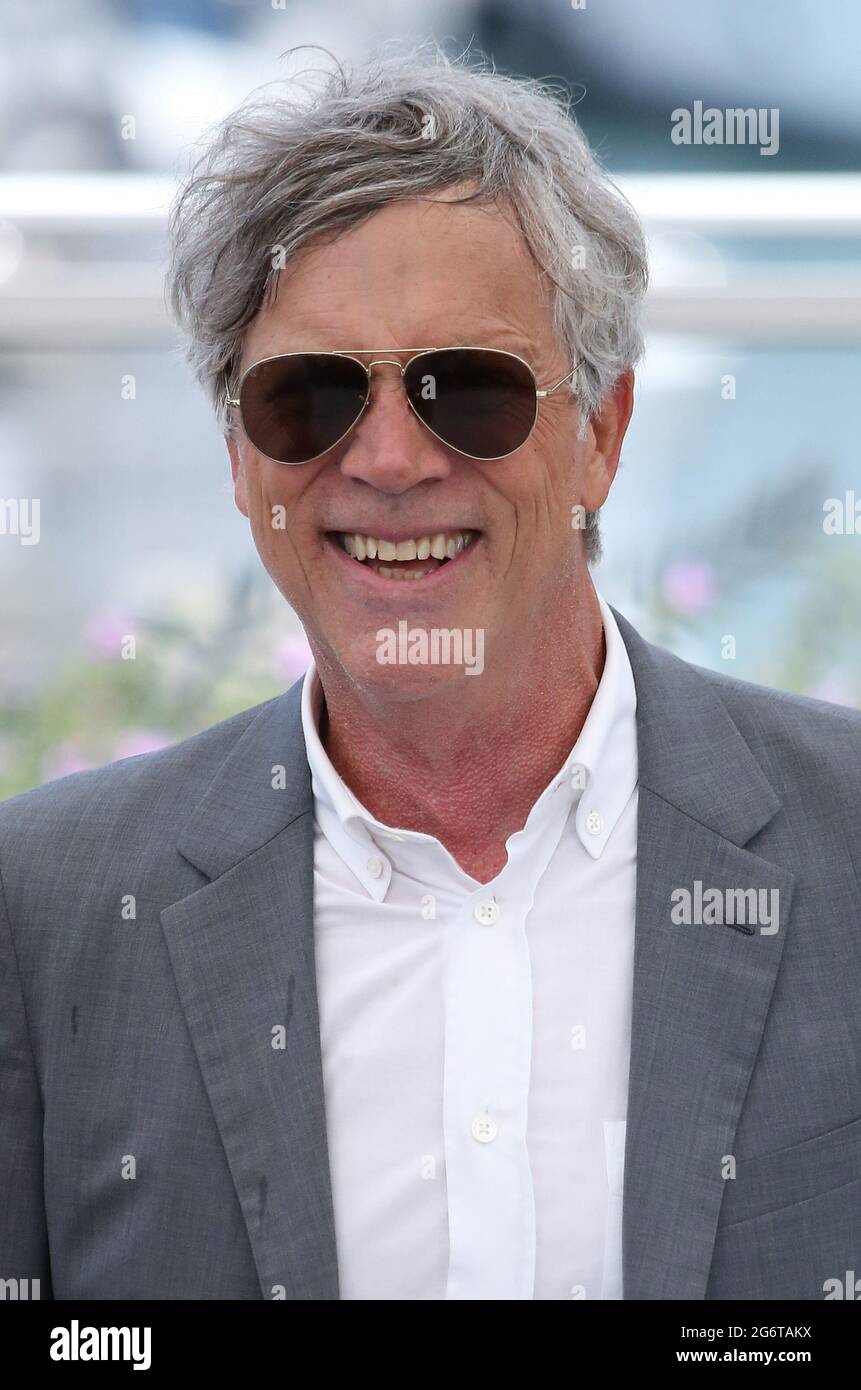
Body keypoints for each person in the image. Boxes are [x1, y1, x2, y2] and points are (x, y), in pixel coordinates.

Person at [1, 46, 859, 1301]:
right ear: (241, 459)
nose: (390, 459)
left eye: (470, 389)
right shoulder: (46, 911)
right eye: (309, 397)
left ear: (601, 438)